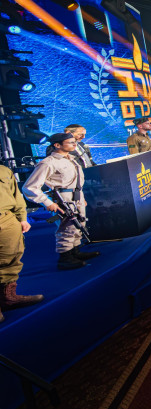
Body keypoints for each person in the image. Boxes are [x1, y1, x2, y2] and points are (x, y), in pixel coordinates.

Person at [22, 133, 100, 270]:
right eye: (70, 142)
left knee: (79, 224)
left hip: (76, 197)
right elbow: (30, 187)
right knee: (67, 227)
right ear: (57, 145)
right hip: (63, 199)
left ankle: (75, 252)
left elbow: (76, 182)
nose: (74, 144)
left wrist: (81, 198)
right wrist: (47, 202)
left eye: (74, 141)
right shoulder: (48, 163)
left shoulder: (72, 159)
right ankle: (65, 258)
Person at [0, 164, 43, 322]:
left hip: (6, 219)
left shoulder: (4, 171)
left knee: (12, 258)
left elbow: (16, 197)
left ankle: (8, 298)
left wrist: (22, 218)